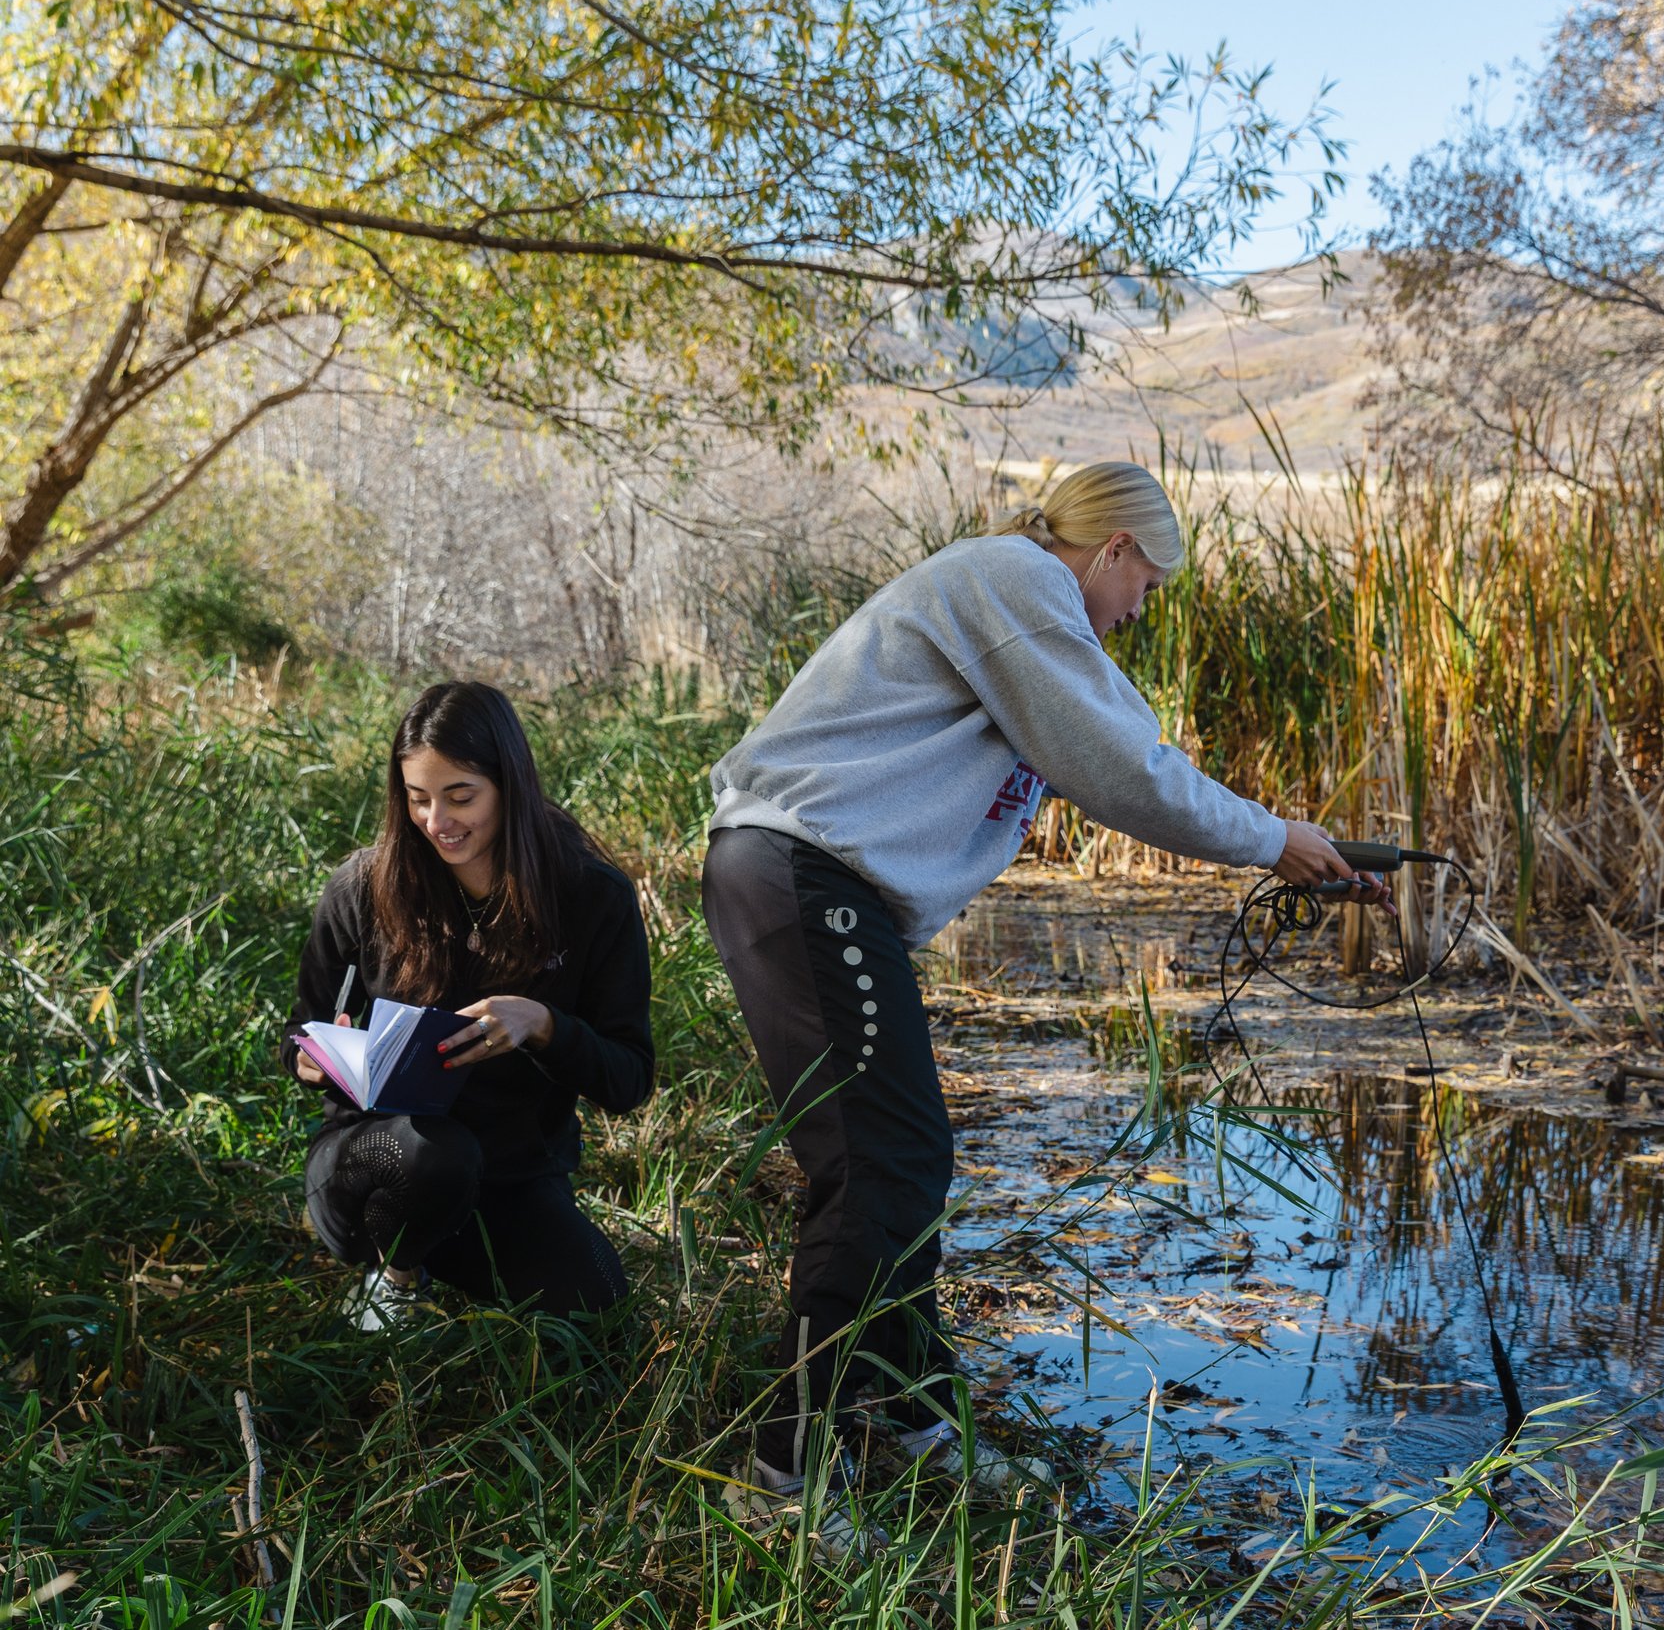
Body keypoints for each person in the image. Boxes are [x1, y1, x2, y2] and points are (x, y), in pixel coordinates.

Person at [703, 461, 1384, 1537]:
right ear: (1111, 548)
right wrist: (1272, 838)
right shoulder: (1018, 580)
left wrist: (1309, 850)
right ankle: (782, 1476)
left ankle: (907, 1410)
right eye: (1146, 585)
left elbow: (1133, 744)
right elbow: (1123, 768)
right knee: (880, 1164)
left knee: (901, 1159)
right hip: (798, 875)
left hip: (816, 889)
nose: (1139, 609)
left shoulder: (1025, 605)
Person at [287, 681, 655, 1329]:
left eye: (461, 796)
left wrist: (544, 1026)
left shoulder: (591, 896)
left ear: (509, 784)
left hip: (511, 1173)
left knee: (599, 1305)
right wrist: (315, 1055)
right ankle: (395, 1277)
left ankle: (446, 1255)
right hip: (373, 1161)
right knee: (435, 1156)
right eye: (418, 798)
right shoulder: (364, 887)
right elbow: (297, 1032)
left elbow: (629, 1077)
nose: (438, 822)